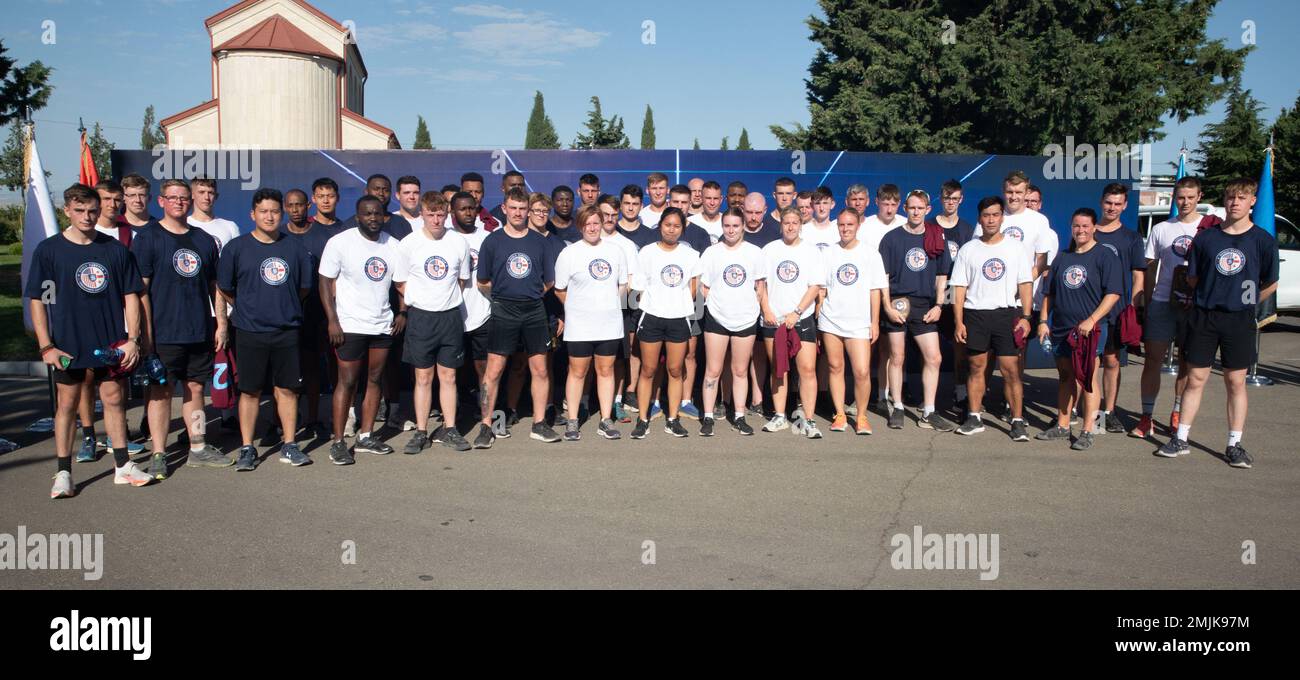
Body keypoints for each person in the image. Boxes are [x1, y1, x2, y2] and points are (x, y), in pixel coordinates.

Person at [29, 183, 153, 498]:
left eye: (92, 210)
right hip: (68, 344)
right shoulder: (50, 250)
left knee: (114, 400)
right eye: (80, 210)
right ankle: (64, 472)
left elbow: (132, 297)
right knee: (67, 406)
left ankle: (123, 466)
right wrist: (47, 345)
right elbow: (38, 301)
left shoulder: (115, 250)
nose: (87, 216)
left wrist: (132, 339)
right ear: (67, 210)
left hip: (111, 344)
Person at [1157, 178, 1279, 468]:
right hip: (1204, 315)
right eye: (1230, 198)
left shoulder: (1262, 240)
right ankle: (1181, 438)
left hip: (1239, 319)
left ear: (1252, 202)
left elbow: (1270, 282)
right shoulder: (1207, 238)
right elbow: (1193, 278)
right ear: (1224, 202)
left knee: (1236, 382)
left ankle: (1234, 445)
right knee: (1195, 378)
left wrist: (1246, 300)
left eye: (1241, 198)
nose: (1235, 202)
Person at [133, 178, 231, 478]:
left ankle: (198, 446)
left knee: (196, 389)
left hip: (200, 329)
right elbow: (140, 293)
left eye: (184, 198)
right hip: (164, 333)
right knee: (161, 392)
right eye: (172, 197)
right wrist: (145, 336)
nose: (179, 202)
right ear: (160, 201)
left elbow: (217, 286)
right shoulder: (148, 238)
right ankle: (160, 453)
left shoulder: (203, 239)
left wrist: (221, 322)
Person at [216, 188, 314, 470]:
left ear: (281, 214)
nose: (269, 217)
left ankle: (290, 444)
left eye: (274, 211)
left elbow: (304, 288)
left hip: (286, 330)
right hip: (249, 331)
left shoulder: (294, 247)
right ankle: (248, 447)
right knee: (250, 391)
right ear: (252, 215)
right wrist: (250, 306)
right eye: (264, 211)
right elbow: (225, 288)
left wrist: (281, 307)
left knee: (287, 390)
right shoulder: (236, 248)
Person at [471, 187, 561, 448]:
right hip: (503, 310)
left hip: (534, 310)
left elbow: (550, 280)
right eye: (514, 208)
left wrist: (530, 294)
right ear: (504, 208)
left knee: (540, 369)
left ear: (528, 211)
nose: (519, 213)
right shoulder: (493, 241)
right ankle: (487, 426)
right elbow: (482, 281)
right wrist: (502, 298)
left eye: (523, 209)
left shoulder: (540, 242)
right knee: (494, 370)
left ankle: (539, 424)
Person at [319, 194, 404, 464]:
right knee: (347, 382)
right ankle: (338, 442)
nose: (373, 218)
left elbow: (401, 283)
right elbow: (324, 281)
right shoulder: (340, 243)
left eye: (377, 214)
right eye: (367, 214)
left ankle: (366, 436)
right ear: (357, 217)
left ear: (383, 216)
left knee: (375, 379)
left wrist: (402, 311)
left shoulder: (394, 245)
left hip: (381, 324)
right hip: (350, 325)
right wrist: (332, 320)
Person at [1035, 208, 1123, 451]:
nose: (1081, 230)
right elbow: (1048, 294)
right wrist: (1043, 321)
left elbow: (1113, 294)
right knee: (1065, 377)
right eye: (1076, 226)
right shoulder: (1063, 257)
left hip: (1089, 331)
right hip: (1062, 328)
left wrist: (1092, 320)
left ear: (1094, 228)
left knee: (1087, 380)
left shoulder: (1104, 256)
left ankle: (1087, 430)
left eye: (1085, 226)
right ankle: (1063, 425)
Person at [950, 196, 1034, 440]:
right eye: (986, 215)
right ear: (980, 218)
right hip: (975, 315)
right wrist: (958, 321)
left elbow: (1026, 285)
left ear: (1002, 217)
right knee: (976, 367)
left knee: (1011, 370)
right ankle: (974, 417)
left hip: (1006, 315)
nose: (990, 220)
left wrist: (1027, 317)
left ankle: (1017, 421)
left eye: (995, 215)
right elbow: (959, 288)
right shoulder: (969, 249)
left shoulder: (1015, 248)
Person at [394, 192, 473, 453]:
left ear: (447, 214)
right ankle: (421, 431)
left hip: (450, 316)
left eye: (441, 215)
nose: (436, 220)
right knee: (423, 377)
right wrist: (421, 299)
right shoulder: (408, 244)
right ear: (422, 214)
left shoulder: (458, 242)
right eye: (431, 215)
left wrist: (443, 299)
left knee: (449, 376)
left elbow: (461, 280)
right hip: (421, 318)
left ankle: (450, 429)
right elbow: (399, 281)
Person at [1133, 176, 1202, 439]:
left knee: (1186, 363)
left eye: (1190, 197)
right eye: (1180, 197)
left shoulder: (1208, 229)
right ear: (1175, 198)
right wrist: (1147, 302)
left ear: (1199, 197)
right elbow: (1149, 269)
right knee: (1152, 360)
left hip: (1193, 306)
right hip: (1162, 303)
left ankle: (1177, 413)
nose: (1185, 202)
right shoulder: (1162, 229)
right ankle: (1146, 416)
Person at [554, 205, 630, 440]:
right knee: (577, 372)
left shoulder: (616, 251)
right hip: (579, 326)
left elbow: (623, 285)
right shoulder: (569, 253)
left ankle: (605, 420)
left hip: (609, 323)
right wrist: (578, 308)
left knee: (606, 371)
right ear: (580, 226)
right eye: (587, 224)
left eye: (596, 223)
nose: (593, 228)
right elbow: (560, 289)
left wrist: (605, 304)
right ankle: (573, 421)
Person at [879, 190, 953, 430]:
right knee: (897, 357)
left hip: (924, 306)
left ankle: (929, 412)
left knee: (934, 357)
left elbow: (942, 276)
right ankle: (898, 406)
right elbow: (883, 279)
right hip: (897, 304)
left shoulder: (936, 236)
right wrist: (887, 307)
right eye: (911, 208)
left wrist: (939, 305)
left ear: (928, 210)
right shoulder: (891, 239)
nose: (916, 212)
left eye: (920, 208)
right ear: (905, 209)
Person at [629, 208, 700, 439]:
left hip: (679, 319)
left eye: (676, 226)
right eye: (668, 224)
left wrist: (677, 304)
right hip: (651, 318)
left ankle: (672, 419)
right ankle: (642, 419)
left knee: (675, 370)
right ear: (660, 225)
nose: (672, 229)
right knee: (648, 370)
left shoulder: (691, 255)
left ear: (683, 227)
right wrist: (655, 304)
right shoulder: (647, 253)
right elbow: (637, 288)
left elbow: (693, 287)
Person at [758, 207, 826, 437]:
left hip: (801, 319)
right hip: (773, 321)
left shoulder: (811, 252)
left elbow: (815, 285)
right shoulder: (769, 250)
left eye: (794, 222)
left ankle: (808, 419)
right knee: (778, 369)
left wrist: (797, 312)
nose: (790, 226)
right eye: (786, 222)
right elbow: (761, 284)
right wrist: (766, 309)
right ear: (781, 224)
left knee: (807, 369)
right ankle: (779, 417)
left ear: (801, 225)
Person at [818, 208, 887, 435]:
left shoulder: (870, 254)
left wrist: (874, 322)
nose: (845, 229)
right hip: (830, 320)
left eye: (849, 225)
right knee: (835, 367)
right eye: (841, 225)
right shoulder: (828, 253)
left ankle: (862, 416)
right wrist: (819, 313)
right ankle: (839, 415)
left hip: (859, 322)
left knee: (862, 371)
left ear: (858, 226)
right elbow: (822, 289)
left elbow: (875, 290)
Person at [697, 208, 765, 436]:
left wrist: (751, 307)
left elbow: (760, 286)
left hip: (746, 320)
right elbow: (703, 287)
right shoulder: (711, 252)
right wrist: (717, 306)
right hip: (716, 319)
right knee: (713, 370)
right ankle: (707, 416)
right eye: (727, 226)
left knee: (739, 370)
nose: (731, 230)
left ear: (743, 226)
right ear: (722, 227)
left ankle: (739, 415)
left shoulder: (755, 252)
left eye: (736, 225)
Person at [1092, 183, 1145, 434]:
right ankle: (1086, 413)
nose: (1112, 208)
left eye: (1117, 204)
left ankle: (1109, 412)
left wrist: (1132, 308)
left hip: (1117, 310)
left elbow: (1138, 276)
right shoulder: (1088, 232)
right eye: (1108, 202)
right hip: (1089, 309)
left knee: (1111, 362)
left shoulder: (1132, 238)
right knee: (1088, 362)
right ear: (1101, 202)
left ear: (1125, 205)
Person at [282, 188, 335, 439]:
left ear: (308, 206)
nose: (295, 209)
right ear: (285, 207)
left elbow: (332, 277)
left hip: (315, 311)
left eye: (300, 205)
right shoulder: (277, 235)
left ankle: (313, 419)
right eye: (290, 205)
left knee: (313, 368)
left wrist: (330, 313)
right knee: (284, 371)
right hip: (283, 313)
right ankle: (279, 422)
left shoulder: (323, 236)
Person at [935, 179, 975, 409]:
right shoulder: (930, 226)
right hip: (934, 294)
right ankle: (925, 395)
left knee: (960, 346)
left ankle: (961, 393)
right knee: (928, 348)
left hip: (960, 294)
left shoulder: (969, 230)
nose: (950, 202)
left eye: (954, 199)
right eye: (947, 198)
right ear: (941, 199)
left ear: (961, 200)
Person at [189, 177, 241, 253]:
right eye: (201, 192)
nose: (206, 197)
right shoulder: (183, 225)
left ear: (216, 196)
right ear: (192, 195)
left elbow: (238, 260)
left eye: (210, 193)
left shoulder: (230, 227)